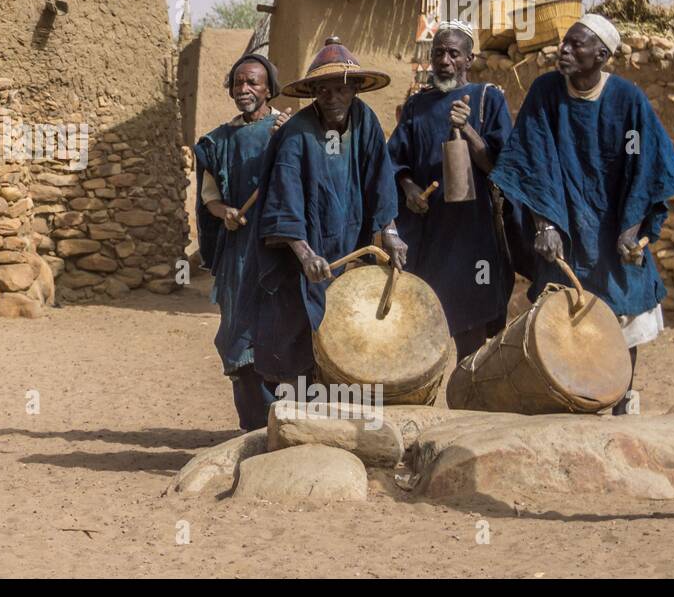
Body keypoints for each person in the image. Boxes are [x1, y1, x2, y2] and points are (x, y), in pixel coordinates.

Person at [490, 14, 674, 414]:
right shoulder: (545, 93)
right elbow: (532, 158)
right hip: (563, 226)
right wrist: (544, 224)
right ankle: (573, 397)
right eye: (565, 43)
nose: (564, 50)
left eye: (576, 44)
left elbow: (647, 165)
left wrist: (631, 229)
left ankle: (621, 396)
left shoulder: (626, 100)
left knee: (623, 308)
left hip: (614, 226)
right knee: (565, 315)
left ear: (602, 55)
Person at [239, 38, 405, 422]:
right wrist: (305, 253)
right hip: (303, 259)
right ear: (313, 93)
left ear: (356, 89)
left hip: (352, 249)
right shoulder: (297, 133)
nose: (332, 97)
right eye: (323, 90)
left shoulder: (367, 123)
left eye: (342, 88)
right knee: (300, 339)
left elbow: (381, 186)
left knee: (353, 333)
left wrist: (391, 233)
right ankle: (298, 427)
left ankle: (345, 425)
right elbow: (284, 200)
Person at [387, 22, 519, 360]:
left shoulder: (488, 97)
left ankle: (468, 401)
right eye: (437, 54)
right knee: (424, 320)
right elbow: (393, 160)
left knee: (472, 322)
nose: (444, 61)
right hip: (429, 230)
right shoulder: (417, 106)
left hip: (473, 231)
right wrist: (409, 188)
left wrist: (468, 130)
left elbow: (501, 167)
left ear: (469, 60)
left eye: (453, 54)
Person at [193, 54, 291, 430]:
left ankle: (285, 427)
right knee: (239, 333)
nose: (244, 89)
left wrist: (289, 137)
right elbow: (209, 196)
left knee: (281, 329)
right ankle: (252, 426)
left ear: (269, 88)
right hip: (239, 254)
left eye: (252, 82)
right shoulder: (218, 142)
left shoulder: (287, 128)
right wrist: (226, 213)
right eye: (238, 83)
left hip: (280, 248)